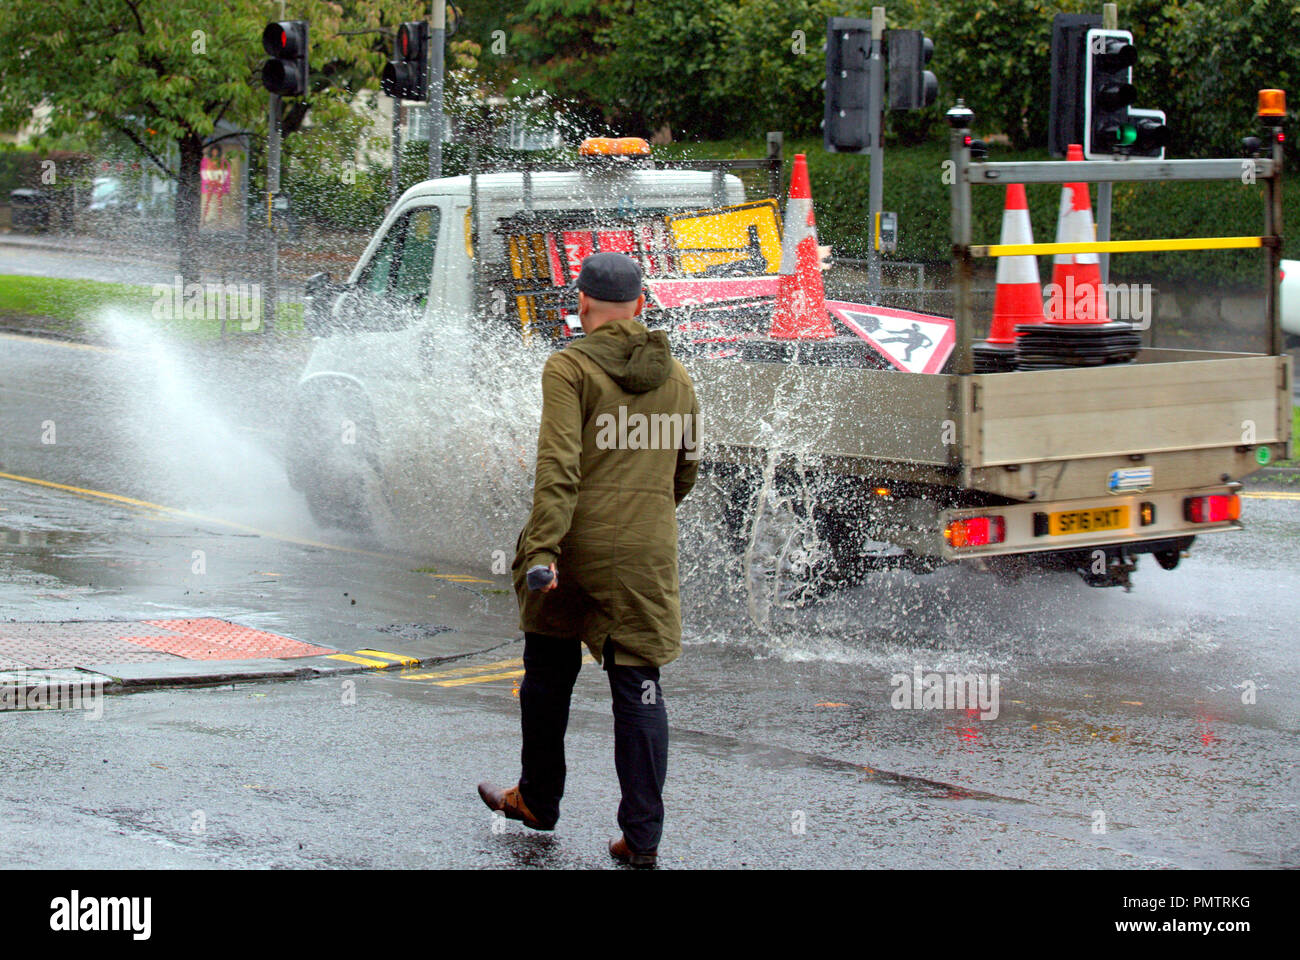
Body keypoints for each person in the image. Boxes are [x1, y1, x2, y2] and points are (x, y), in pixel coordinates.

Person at [478, 251, 699, 868]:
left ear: (582, 305)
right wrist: (644, 515)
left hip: (573, 547)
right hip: (644, 554)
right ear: (641, 306)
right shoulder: (679, 379)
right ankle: (642, 838)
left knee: (548, 671)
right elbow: (686, 472)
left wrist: (544, 550)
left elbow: (559, 468)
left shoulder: (569, 368)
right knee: (640, 688)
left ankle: (539, 800)